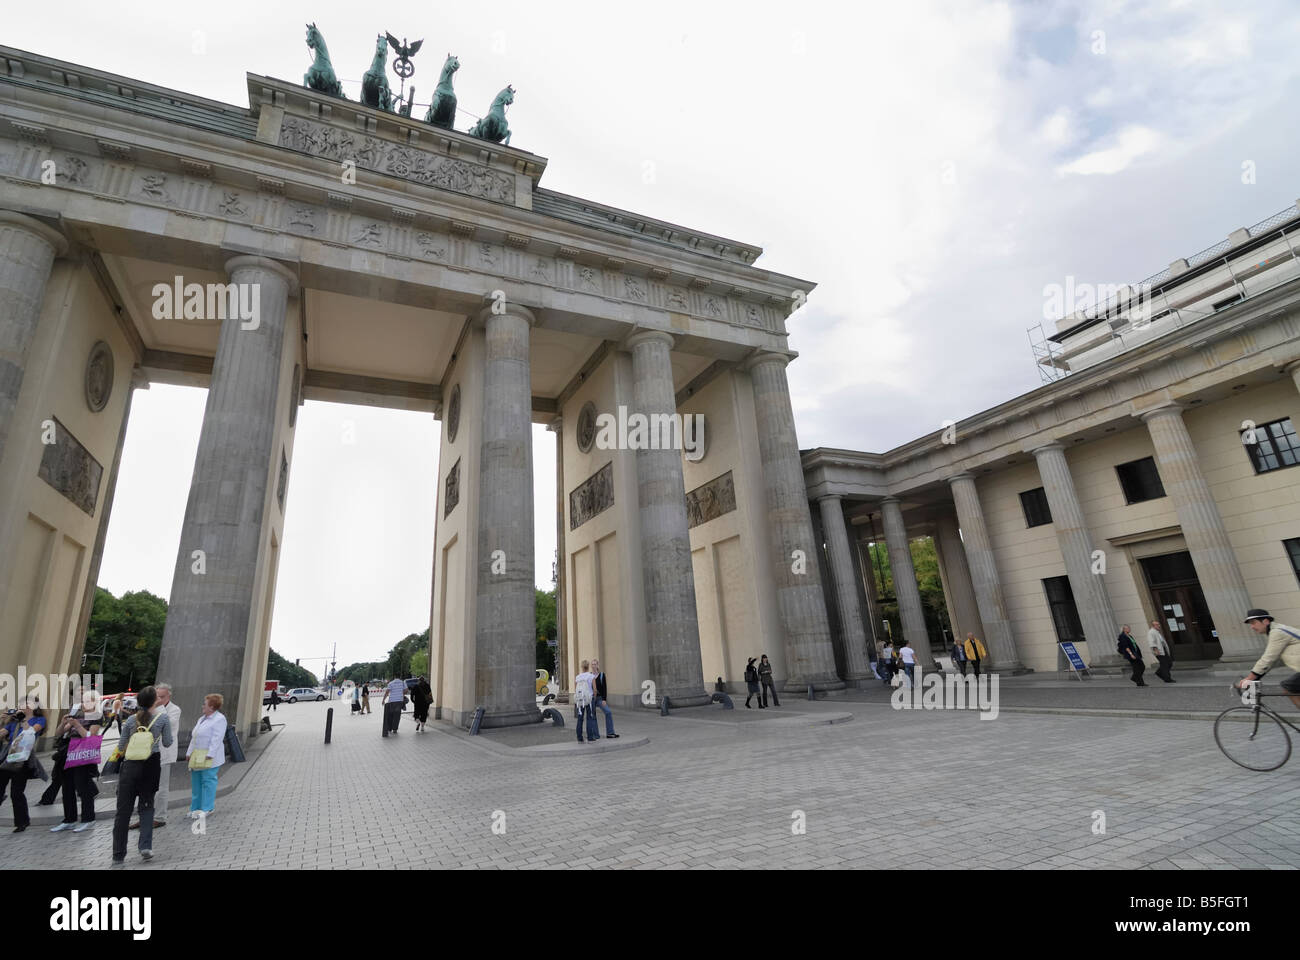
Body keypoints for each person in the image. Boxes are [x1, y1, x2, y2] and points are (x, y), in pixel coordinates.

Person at [110, 686, 171, 865]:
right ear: (155, 701)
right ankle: (145, 846)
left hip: (130, 766)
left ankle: (118, 854)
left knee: (123, 812)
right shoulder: (163, 718)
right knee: (146, 806)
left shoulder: (130, 720)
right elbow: (167, 742)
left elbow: (121, 746)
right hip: (150, 766)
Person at [49, 691, 102, 833]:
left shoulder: (96, 717)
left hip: (83, 754)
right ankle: (69, 819)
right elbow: (60, 733)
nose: (84, 704)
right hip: (68, 753)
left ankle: (88, 819)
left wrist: (78, 726)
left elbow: (91, 737)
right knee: (67, 787)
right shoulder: (76, 715)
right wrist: (63, 723)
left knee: (83, 787)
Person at [134, 682, 181, 830]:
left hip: (165, 754)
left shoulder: (174, 710)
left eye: (161, 696)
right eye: (157, 696)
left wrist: (158, 706)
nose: (158, 699)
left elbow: (167, 724)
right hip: (148, 753)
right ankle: (143, 816)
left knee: (161, 787)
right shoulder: (149, 709)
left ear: (168, 696)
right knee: (144, 787)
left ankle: (160, 817)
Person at [1236, 609, 1300, 707]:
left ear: (1265, 621)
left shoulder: (1277, 633)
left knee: (1288, 686)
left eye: (1254, 623)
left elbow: (1268, 658)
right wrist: (1255, 678)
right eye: (1250, 624)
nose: (1252, 627)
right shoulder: (1277, 630)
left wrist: (1249, 678)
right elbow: (1271, 661)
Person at [0, 698, 46, 832]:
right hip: (7, 757)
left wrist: (22, 720)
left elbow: (31, 733)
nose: (23, 706)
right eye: (21, 704)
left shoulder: (39, 720)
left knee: (16, 791)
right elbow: (2, 734)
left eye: (26, 704)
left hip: (23, 758)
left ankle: (22, 822)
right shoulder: (13, 722)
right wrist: (2, 720)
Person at [185, 693, 226, 821]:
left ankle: (208, 808)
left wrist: (210, 755)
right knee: (196, 782)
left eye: (205, 703)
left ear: (212, 706)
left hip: (209, 757)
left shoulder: (219, 719)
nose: (203, 705)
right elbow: (194, 737)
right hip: (197, 756)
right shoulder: (202, 719)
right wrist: (188, 752)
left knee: (208, 782)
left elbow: (217, 739)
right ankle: (195, 808)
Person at [589, 659, 619, 739]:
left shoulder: (602, 675)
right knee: (593, 716)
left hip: (599, 698)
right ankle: (596, 735)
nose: (593, 666)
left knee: (608, 712)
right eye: (592, 664)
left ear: (597, 665)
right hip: (591, 698)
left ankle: (610, 733)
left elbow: (604, 688)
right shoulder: (589, 676)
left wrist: (604, 699)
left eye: (595, 664)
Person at [574, 660, 598, 742]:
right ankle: (590, 737)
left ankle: (579, 737)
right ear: (588, 667)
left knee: (580, 718)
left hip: (580, 700)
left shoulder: (577, 677)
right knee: (589, 718)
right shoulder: (591, 676)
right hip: (589, 699)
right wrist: (594, 697)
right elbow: (595, 689)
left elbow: (576, 689)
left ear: (581, 667)